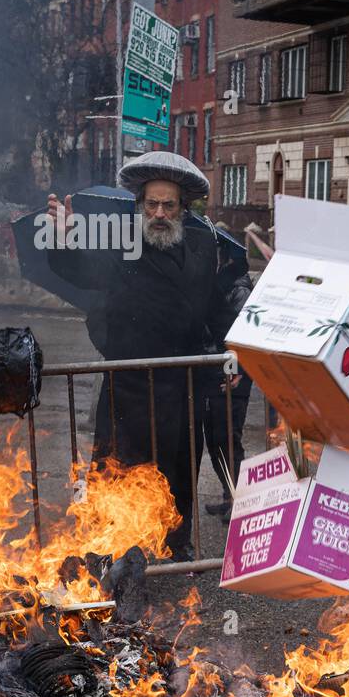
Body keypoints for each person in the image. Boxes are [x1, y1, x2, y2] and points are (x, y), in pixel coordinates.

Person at [46, 151, 232, 562]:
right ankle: (118, 552)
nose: (160, 213)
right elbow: (81, 270)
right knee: (121, 470)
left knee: (180, 469)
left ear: (183, 208)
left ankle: (175, 544)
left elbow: (217, 306)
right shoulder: (120, 241)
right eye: (152, 204)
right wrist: (64, 239)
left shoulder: (203, 244)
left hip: (182, 382)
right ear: (140, 204)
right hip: (130, 383)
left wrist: (227, 351)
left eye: (169, 205)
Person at [200, 236, 255, 518]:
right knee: (216, 439)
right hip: (214, 374)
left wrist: (238, 372)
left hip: (233, 378)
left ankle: (239, 502)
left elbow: (241, 339)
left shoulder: (239, 289)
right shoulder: (219, 285)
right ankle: (228, 494)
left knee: (228, 438)